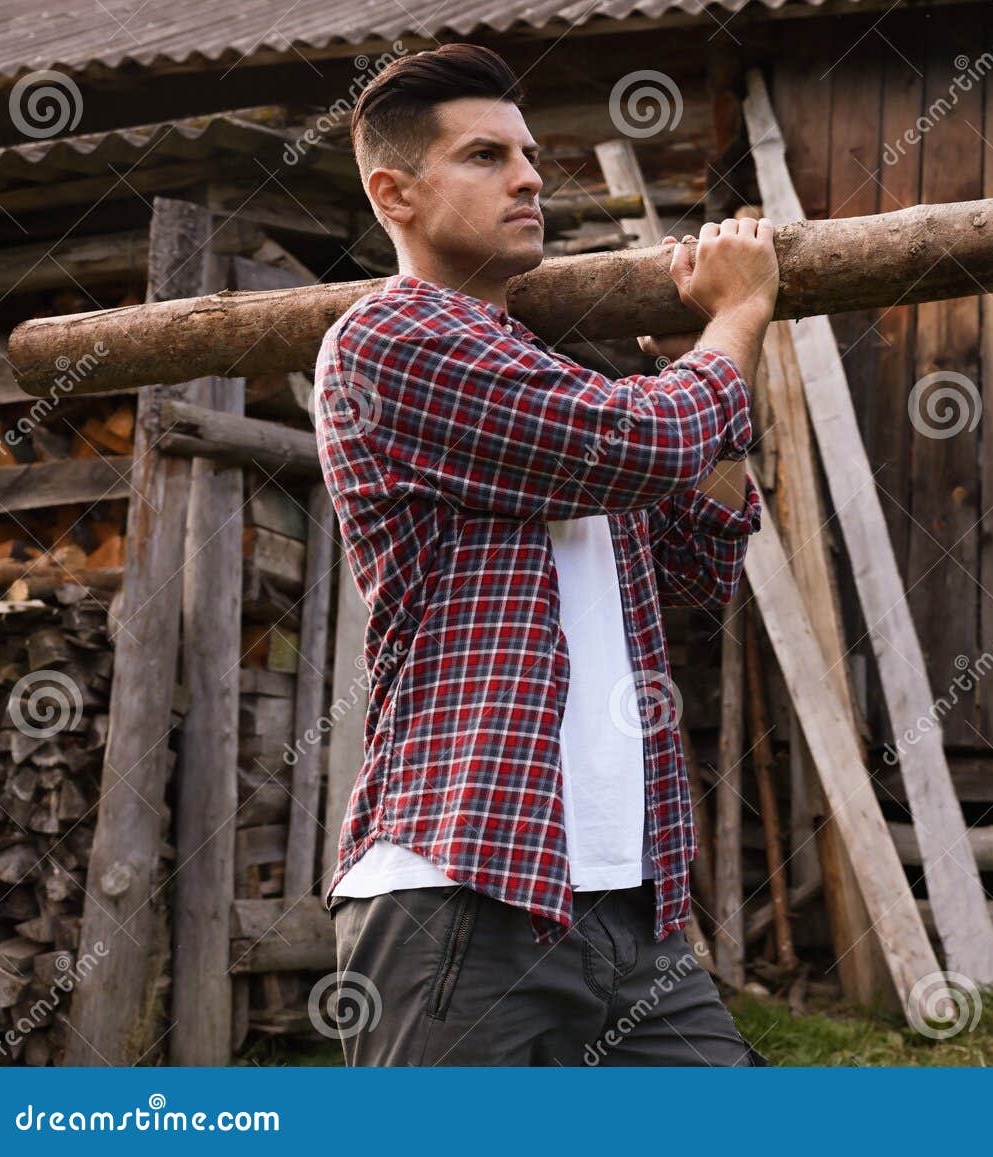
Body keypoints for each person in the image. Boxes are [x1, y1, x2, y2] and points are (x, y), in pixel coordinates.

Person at [313, 42, 777, 1066]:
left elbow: (697, 565)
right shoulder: (388, 341)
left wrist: (701, 382)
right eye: (485, 156)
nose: (529, 176)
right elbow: (641, 445)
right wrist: (737, 316)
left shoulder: (557, 382)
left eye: (528, 153)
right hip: (457, 891)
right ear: (394, 192)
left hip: (627, 901)